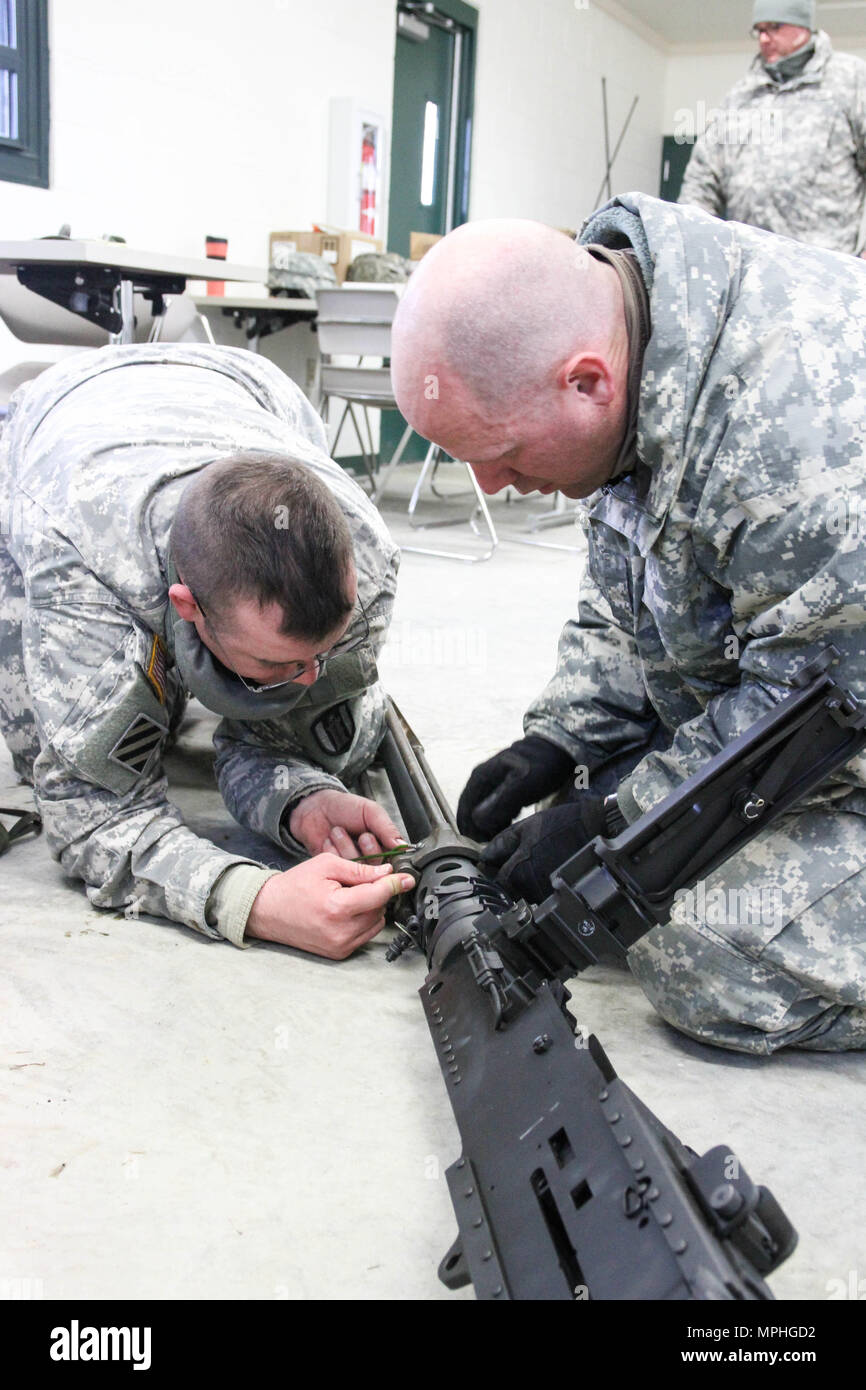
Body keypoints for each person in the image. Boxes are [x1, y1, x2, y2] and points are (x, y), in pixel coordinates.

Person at [389, 196, 866, 1055]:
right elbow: (625, 596)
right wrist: (560, 742)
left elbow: (813, 719)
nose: (490, 486)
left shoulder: (807, 448)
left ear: (586, 383)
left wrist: (617, 813)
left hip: (845, 715)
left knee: (700, 942)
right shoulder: (634, 333)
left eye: (501, 455)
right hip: (817, 678)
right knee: (611, 861)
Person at [0, 343, 413, 959]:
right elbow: (94, 817)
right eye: (278, 663)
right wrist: (255, 901)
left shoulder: (367, 562)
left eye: (319, 653)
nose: (307, 679)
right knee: (57, 750)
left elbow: (279, 729)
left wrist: (301, 797)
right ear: (186, 606)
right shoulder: (81, 564)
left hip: (241, 384)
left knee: (326, 726)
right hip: (58, 431)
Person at [678, 1, 866, 256]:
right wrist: (694, 243)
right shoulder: (741, 95)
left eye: (774, 27)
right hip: (751, 268)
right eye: (759, 30)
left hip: (827, 269)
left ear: (803, 26)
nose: (764, 39)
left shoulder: (851, 79)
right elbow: (701, 179)